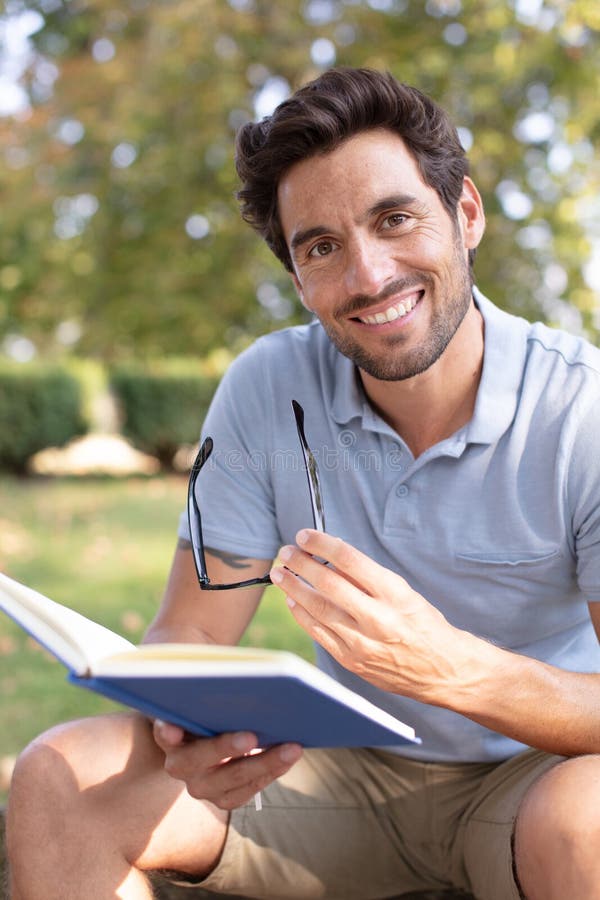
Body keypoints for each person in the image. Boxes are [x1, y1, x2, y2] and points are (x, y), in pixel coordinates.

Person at [6, 66, 600, 900]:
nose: (367, 275)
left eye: (395, 219)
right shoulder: (266, 389)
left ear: (465, 214)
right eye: (321, 245)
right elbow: (195, 635)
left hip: (532, 783)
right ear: (295, 275)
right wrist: (185, 729)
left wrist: (451, 668)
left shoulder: (582, 410)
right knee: (60, 773)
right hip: (334, 776)